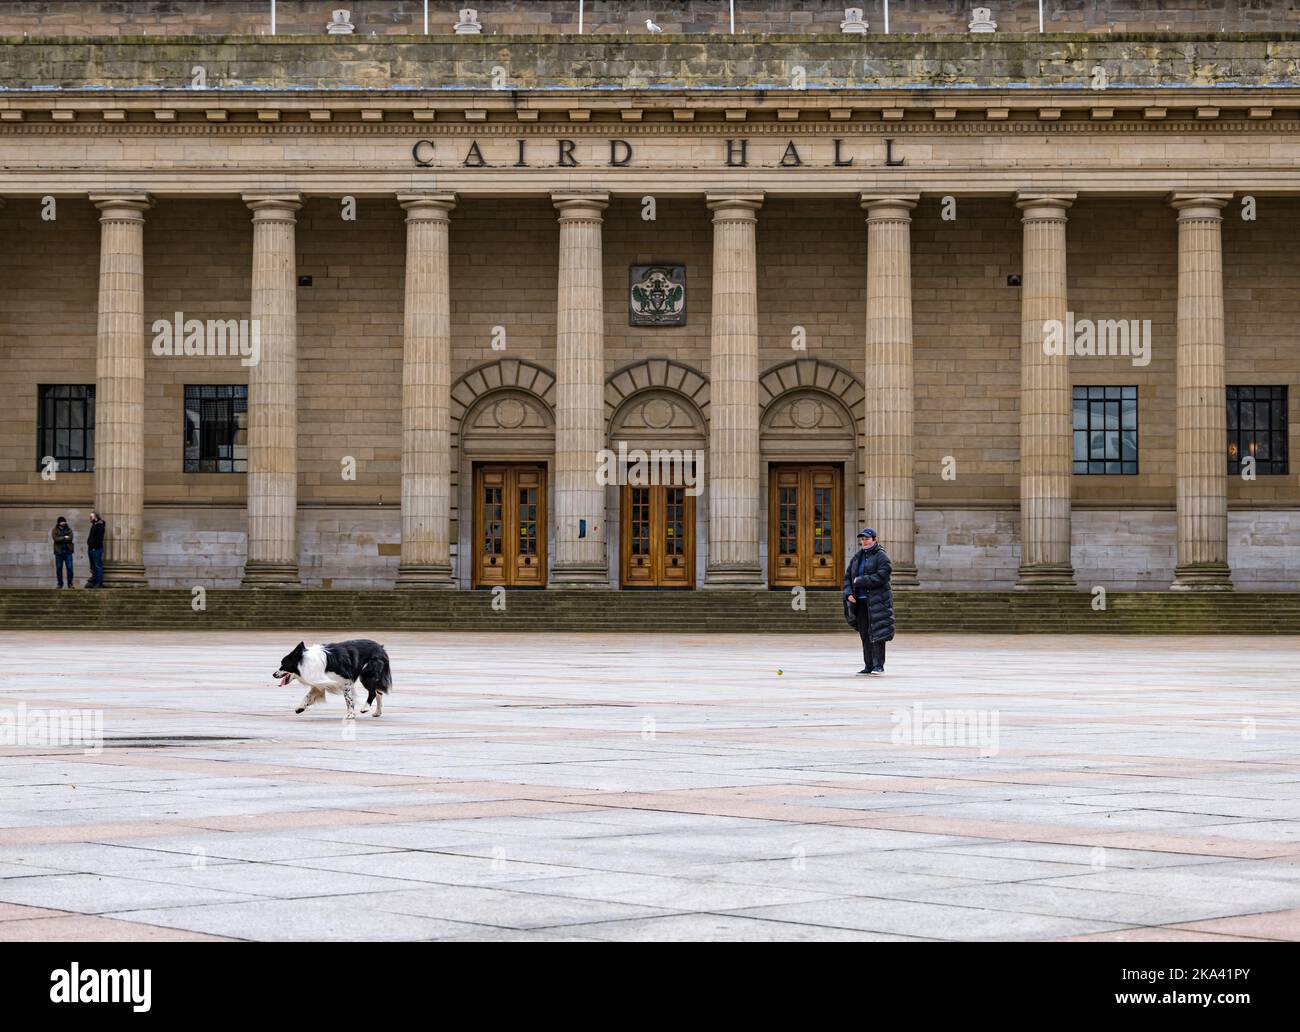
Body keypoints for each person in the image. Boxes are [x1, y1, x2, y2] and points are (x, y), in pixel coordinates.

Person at [844, 528, 895, 675]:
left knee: (877, 633)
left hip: (877, 602)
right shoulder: (857, 557)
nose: (864, 541)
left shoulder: (881, 556)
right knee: (865, 634)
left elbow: (882, 576)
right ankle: (868, 665)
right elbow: (847, 578)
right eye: (862, 539)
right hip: (860, 602)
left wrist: (861, 580)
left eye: (866, 538)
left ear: (874, 539)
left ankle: (879, 665)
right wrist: (848, 593)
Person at [52, 515, 74, 589]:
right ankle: (60, 584)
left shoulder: (69, 529)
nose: (63, 523)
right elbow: (55, 539)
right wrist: (64, 537)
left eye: (64, 521)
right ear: (59, 523)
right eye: (62, 522)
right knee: (59, 569)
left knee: (70, 568)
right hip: (59, 552)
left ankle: (70, 584)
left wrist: (61, 538)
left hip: (68, 552)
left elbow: (70, 538)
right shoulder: (54, 530)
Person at [86, 510, 106, 588]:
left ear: (96, 517)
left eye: (91, 516)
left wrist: (94, 547)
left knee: (97, 566)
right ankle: (94, 582)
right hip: (91, 549)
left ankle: (98, 582)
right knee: (93, 566)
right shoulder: (94, 525)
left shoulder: (100, 526)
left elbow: (99, 538)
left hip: (96, 549)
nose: (90, 518)